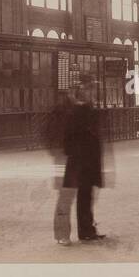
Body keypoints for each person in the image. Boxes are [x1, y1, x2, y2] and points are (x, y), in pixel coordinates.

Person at [54, 79, 107, 243]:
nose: (94, 95)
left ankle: (86, 231)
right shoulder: (75, 111)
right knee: (68, 196)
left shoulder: (90, 110)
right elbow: (67, 138)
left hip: (87, 161)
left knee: (85, 196)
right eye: (92, 92)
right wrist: (72, 153)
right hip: (77, 161)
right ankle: (63, 235)